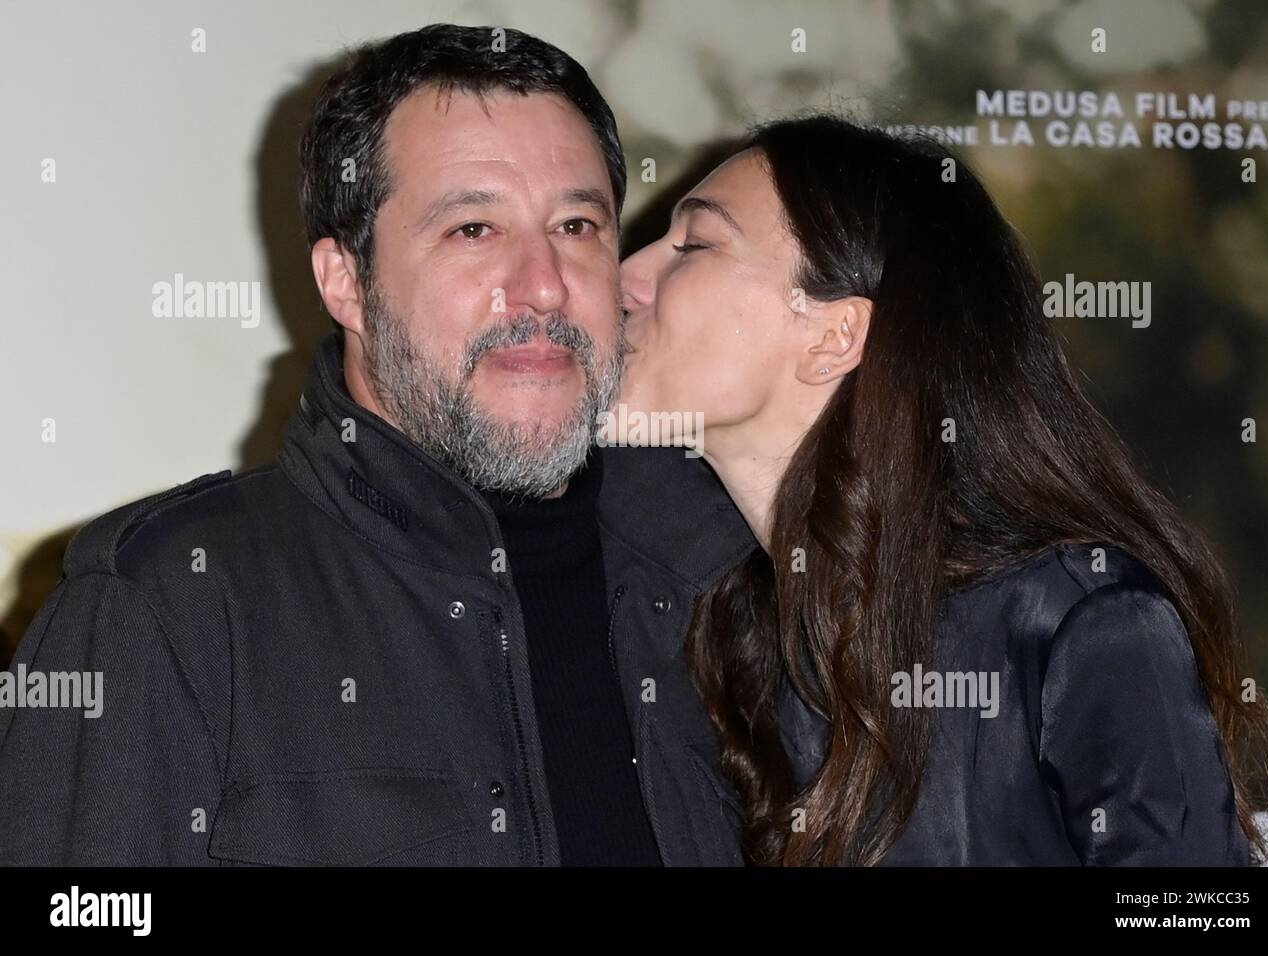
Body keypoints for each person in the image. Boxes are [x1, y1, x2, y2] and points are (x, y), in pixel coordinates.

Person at [0, 24, 755, 866]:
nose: (544, 284)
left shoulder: (724, 585)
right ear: (346, 283)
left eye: (578, 225)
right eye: (474, 229)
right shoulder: (168, 605)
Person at [616, 114, 1268, 866]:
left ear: (833, 336)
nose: (626, 276)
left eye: (696, 243)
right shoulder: (726, 631)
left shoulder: (1078, 622)